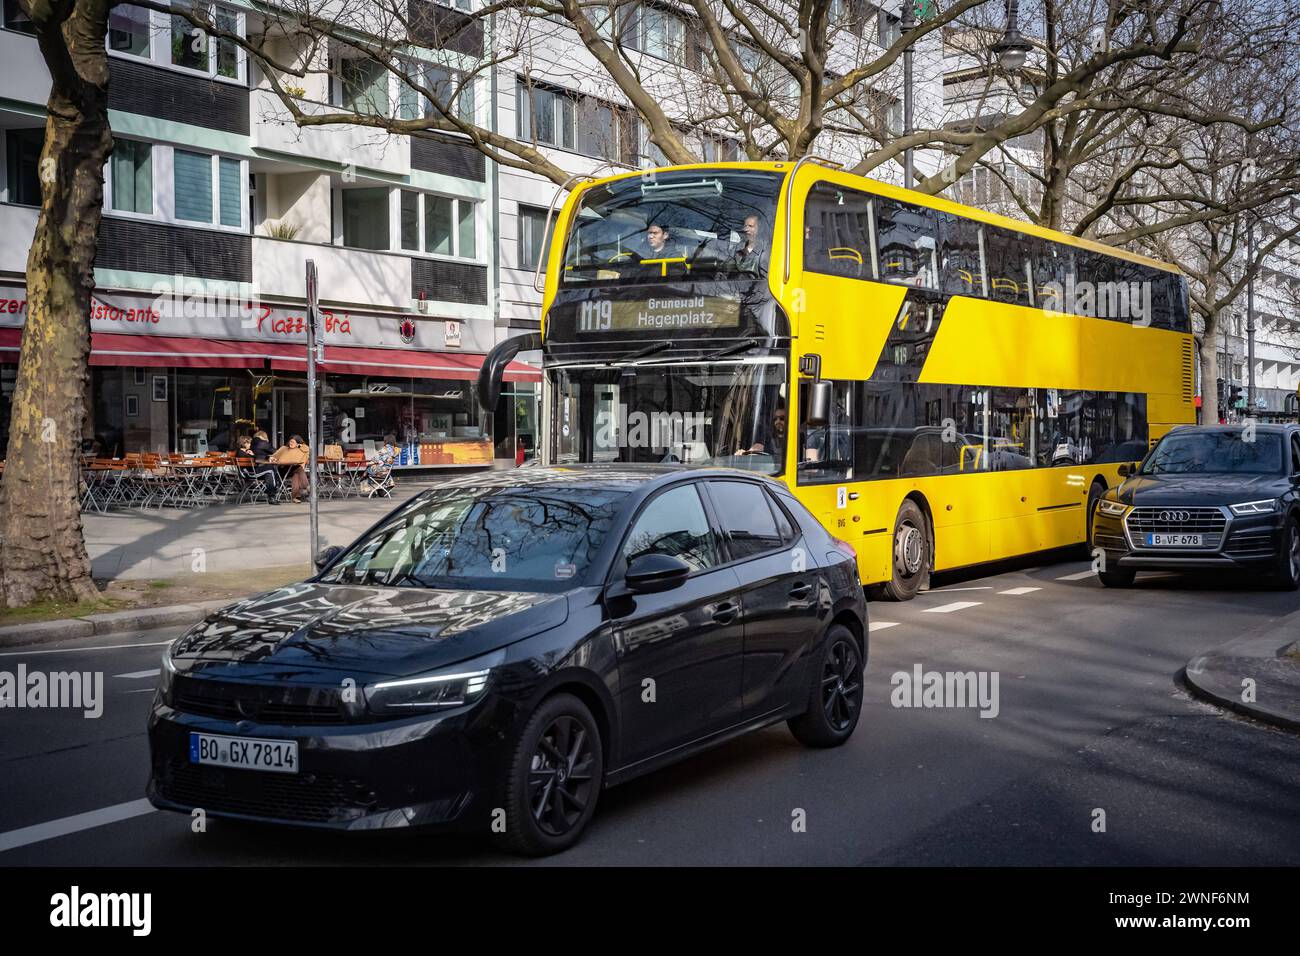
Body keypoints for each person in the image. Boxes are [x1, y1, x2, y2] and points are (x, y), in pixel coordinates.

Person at [738, 401, 787, 471]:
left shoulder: (793, 441)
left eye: (782, 418)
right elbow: (756, 450)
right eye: (775, 419)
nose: (778, 421)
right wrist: (743, 454)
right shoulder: (768, 439)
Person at [271, 434, 310, 502]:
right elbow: (273, 456)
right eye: (290, 441)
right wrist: (272, 458)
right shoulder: (284, 448)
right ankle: (307, 486)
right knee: (298, 468)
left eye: (293, 442)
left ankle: (295, 497)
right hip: (282, 470)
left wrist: (300, 445)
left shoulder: (300, 449)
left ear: (298, 443)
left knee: (296, 475)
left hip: (293, 470)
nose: (290, 443)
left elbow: (307, 449)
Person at [249, 429, 281, 504]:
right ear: (263, 436)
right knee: (271, 470)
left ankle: (271, 490)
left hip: (253, 469)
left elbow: (257, 455)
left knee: (270, 471)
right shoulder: (262, 443)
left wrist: (267, 457)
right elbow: (276, 452)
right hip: (257, 469)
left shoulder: (252, 444)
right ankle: (272, 494)